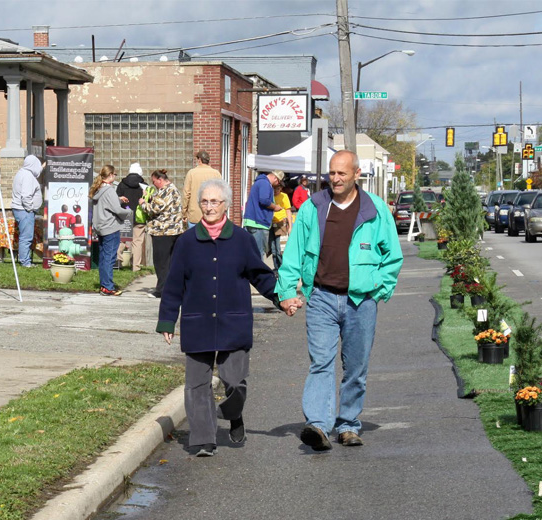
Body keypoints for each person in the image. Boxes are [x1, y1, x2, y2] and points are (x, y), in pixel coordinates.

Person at [276, 150, 403, 451]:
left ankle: (347, 424)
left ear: (356, 174)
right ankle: (318, 425)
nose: (335, 178)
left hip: (361, 301)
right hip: (320, 296)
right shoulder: (313, 208)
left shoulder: (375, 210)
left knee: (356, 367)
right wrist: (285, 293)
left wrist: (379, 287)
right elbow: (293, 253)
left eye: (342, 173)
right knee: (321, 362)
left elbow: (392, 256)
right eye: (332, 173)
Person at [157, 178, 283, 457]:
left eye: (215, 201)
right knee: (197, 384)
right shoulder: (186, 242)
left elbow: (260, 276)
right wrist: (167, 319)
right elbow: (173, 283)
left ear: (226, 205)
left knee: (235, 381)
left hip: (233, 321)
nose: (209, 206)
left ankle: (234, 415)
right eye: (205, 201)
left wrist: (281, 298)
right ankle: (203, 438)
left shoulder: (242, 239)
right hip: (197, 321)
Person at [141, 169, 182, 299]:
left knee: (161, 262)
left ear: (160, 179)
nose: (153, 184)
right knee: (170, 261)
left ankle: (162, 290)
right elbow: (163, 204)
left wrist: (143, 204)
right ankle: (170, 288)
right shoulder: (173, 189)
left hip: (163, 231)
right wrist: (152, 197)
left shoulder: (165, 190)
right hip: (174, 230)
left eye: (154, 182)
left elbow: (155, 209)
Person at [90, 165, 130, 295]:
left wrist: (118, 199)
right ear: (111, 175)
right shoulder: (110, 190)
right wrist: (128, 212)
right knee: (109, 258)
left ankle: (104, 284)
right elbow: (117, 210)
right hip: (110, 227)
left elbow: (105, 202)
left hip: (101, 227)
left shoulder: (98, 189)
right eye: (115, 174)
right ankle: (108, 286)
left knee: (103, 257)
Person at [242, 170, 285, 257]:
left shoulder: (260, 182)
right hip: (259, 223)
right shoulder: (265, 183)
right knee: (258, 253)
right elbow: (264, 200)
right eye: (278, 182)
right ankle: (258, 271)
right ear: (275, 178)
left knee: (250, 252)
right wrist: (275, 207)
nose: (277, 185)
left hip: (252, 221)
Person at [11, 155, 43, 268]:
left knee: (25, 236)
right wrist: (30, 209)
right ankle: (25, 262)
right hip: (24, 210)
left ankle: (25, 260)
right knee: (26, 237)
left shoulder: (21, 173)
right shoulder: (28, 176)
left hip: (21, 209)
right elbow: (26, 196)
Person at [117, 162, 146, 270]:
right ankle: (136, 267)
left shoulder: (121, 184)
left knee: (122, 239)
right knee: (137, 242)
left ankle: (117, 263)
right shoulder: (144, 185)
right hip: (139, 217)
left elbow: (117, 199)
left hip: (125, 215)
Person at [182, 150, 221, 228]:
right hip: (211, 213)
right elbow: (221, 194)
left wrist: (183, 212)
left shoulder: (192, 173)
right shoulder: (216, 173)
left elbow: (186, 194)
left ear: (199, 160)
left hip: (195, 214)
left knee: (193, 239)